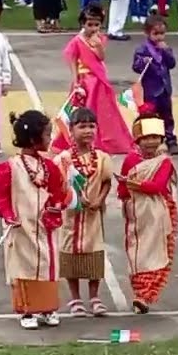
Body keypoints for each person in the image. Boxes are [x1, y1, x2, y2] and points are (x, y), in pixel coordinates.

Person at [0, 110, 68, 330]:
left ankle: (48, 308)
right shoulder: (9, 168)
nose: (50, 139)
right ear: (34, 139)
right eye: (47, 134)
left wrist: (57, 206)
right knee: (23, 266)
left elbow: (58, 192)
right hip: (21, 227)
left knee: (47, 264)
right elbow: (1, 196)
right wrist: (8, 215)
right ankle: (27, 311)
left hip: (46, 227)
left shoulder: (49, 167)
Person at [119, 106, 178, 313]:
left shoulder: (164, 162)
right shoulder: (131, 160)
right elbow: (122, 190)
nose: (151, 142)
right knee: (137, 252)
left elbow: (158, 187)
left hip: (159, 212)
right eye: (146, 137)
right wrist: (129, 202)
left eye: (155, 137)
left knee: (157, 252)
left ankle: (144, 295)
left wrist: (134, 185)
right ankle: (138, 291)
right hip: (136, 213)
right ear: (138, 139)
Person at [54, 107, 114, 316]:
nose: (88, 131)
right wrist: (75, 199)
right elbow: (58, 185)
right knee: (70, 254)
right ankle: (75, 298)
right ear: (71, 130)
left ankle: (95, 297)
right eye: (82, 126)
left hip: (92, 217)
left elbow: (106, 181)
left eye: (91, 126)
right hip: (71, 217)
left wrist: (99, 200)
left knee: (94, 253)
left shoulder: (102, 158)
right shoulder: (64, 159)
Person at [56, 4, 134, 156]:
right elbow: (72, 60)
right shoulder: (77, 41)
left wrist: (98, 46)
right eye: (90, 24)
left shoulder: (100, 39)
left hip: (98, 81)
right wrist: (75, 80)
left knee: (104, 111)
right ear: (83, 24)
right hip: (84, 80)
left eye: (96, 25)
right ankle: (79, 139)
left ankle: (103, 138)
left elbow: (101, 58)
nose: (93, 28)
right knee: (82, 110)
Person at [131, 14, 178, 155]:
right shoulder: (142, 49)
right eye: (155, 34)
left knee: (167, 115)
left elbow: (172, 64)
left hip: (164, 89)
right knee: (150, 115)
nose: (159, 37)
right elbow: (135, 67)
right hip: (150, 90)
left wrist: (166, 51)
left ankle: (170, 140)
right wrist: (143, 61)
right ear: (147, 33)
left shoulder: (165, 48)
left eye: (162, 34)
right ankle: (150, 141)